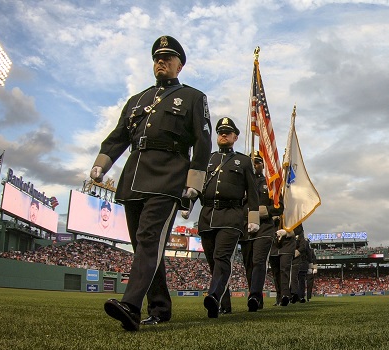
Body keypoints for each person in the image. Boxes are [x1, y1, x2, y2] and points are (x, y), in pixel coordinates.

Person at [91, 35, 211, 331]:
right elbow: (119, 136)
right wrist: (101, 163)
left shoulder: (194, 97)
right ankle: (160, 306)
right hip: (134, 177)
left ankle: (130, 305)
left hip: (169, 177)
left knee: (148, 240)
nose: (161, 61)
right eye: (157, 57)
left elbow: (203, 142)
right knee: (144, 245)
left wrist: (193, 183)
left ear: (179, 65)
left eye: (168, 57)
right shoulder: (138, 100)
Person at [193, 116, 259, 318]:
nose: (223, 134)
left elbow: (253, 192)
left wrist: (253, 218)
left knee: (222, 258)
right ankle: (223, 303)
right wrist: (187, 204)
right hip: (207, 215)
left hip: (232, 215)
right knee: (213, 261)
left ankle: (213, 296)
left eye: (227, 132)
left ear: (235, 137)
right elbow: (196, 186)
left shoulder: (244, 161)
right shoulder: (208, 159)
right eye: (220, 132)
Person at [239, 153, 283, 312]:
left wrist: (262, 212)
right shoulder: (240, 183)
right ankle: (255, 299)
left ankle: (255, 296)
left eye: (258, 162)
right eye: (251, 162)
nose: (254, 164)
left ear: (263, 165)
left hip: (264, 227)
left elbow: (279, 207)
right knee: (248, 264)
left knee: (259, 261)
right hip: (245, 228)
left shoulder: (270, 184)